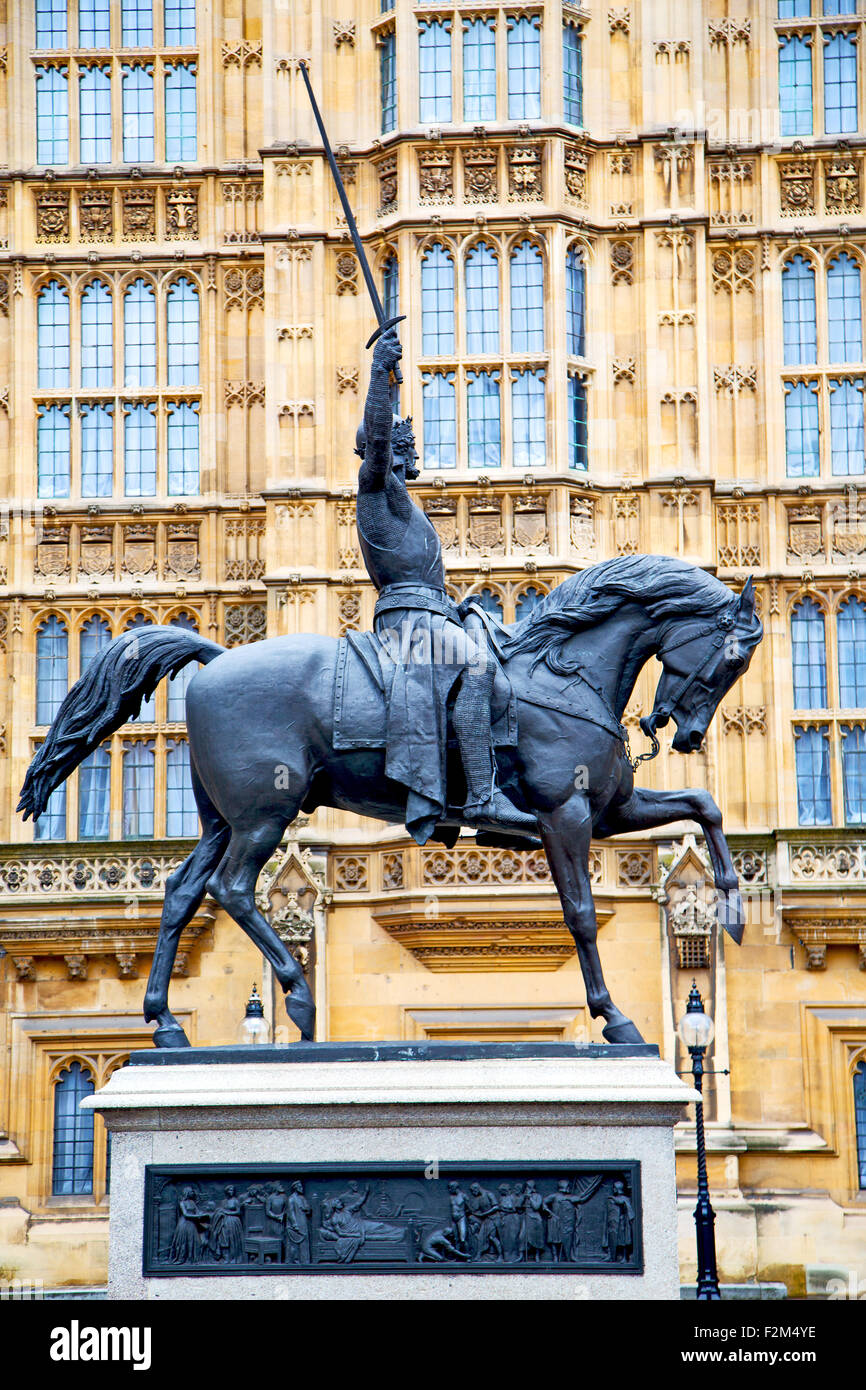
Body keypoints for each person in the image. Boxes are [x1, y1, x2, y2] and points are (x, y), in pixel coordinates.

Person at [355, 327, 537, 845]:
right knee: (476, 668)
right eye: (403, 447)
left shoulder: (404, 507)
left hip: (436, 616)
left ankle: (503, 793)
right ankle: (481, 797)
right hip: (407, 623)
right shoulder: (375, 492)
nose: (412, 455)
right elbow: (378, 437)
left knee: (502, 666)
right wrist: (381, 378)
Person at [602, 1180, 635, 1263]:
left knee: (623, 1240)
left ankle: (625, 1257)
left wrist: (612, 1197)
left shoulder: (625, 1198)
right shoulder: (616, 1199)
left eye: (614, 1188)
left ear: (617, 1189)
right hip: (615, 1223)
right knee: (614, 1238)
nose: (613, 1189)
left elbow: (620, 1202)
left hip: (623, 1222)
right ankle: (611, 1255)